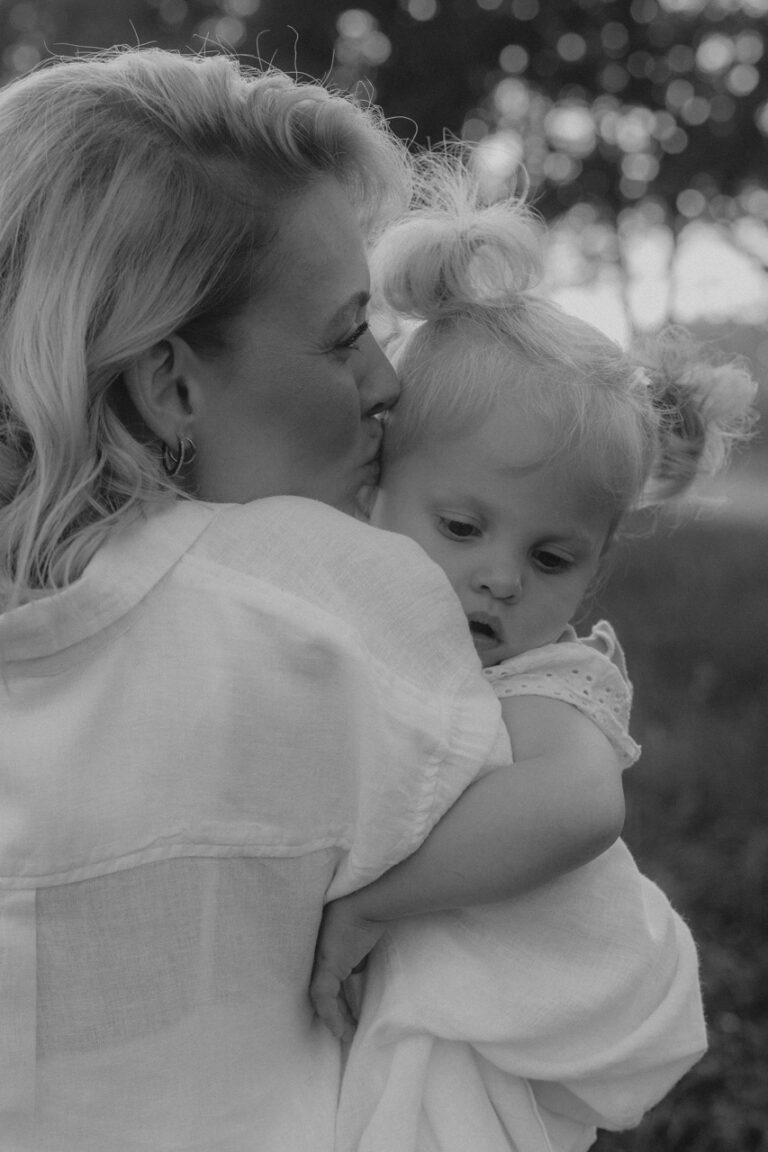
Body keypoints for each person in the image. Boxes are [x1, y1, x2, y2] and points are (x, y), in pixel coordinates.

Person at [0, 48, 532, 1151]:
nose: (388, 384)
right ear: (171, 384)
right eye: (347, 334)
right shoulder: (335, 615)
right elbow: (612, 1005)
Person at [309, 166, 756, 1151]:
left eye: (553, 558)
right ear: (374, 488)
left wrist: (374, 903)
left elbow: (580, 807)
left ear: (596, 567)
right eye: (463, 526)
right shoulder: (345, 612)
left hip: (481, 1039)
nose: (501, 578)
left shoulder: (548, 681)